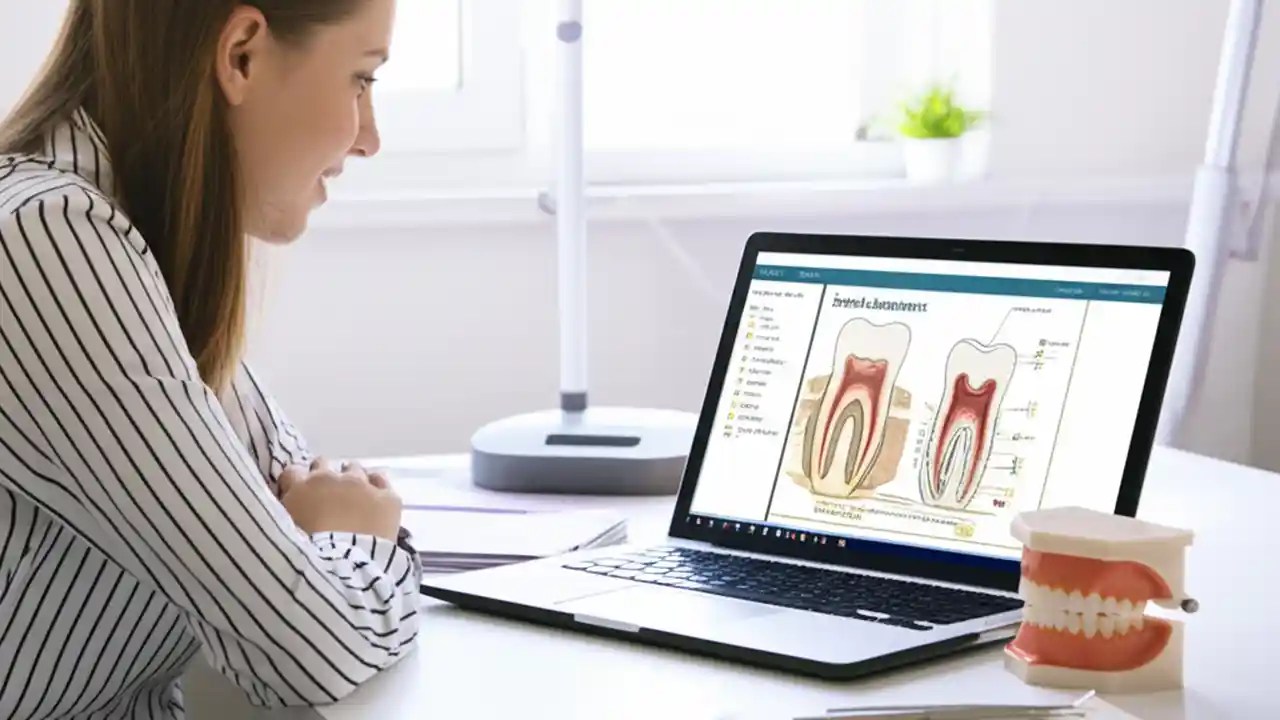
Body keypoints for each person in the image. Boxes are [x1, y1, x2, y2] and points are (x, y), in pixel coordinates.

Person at [0, 1, 420, 718]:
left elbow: (291, 498)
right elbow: (308, 646)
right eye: (361, 78)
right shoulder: (49, 242)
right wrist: (359, 539)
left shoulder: (123, 235)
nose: (369, 137)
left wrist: (334, 542)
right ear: (241, 55)